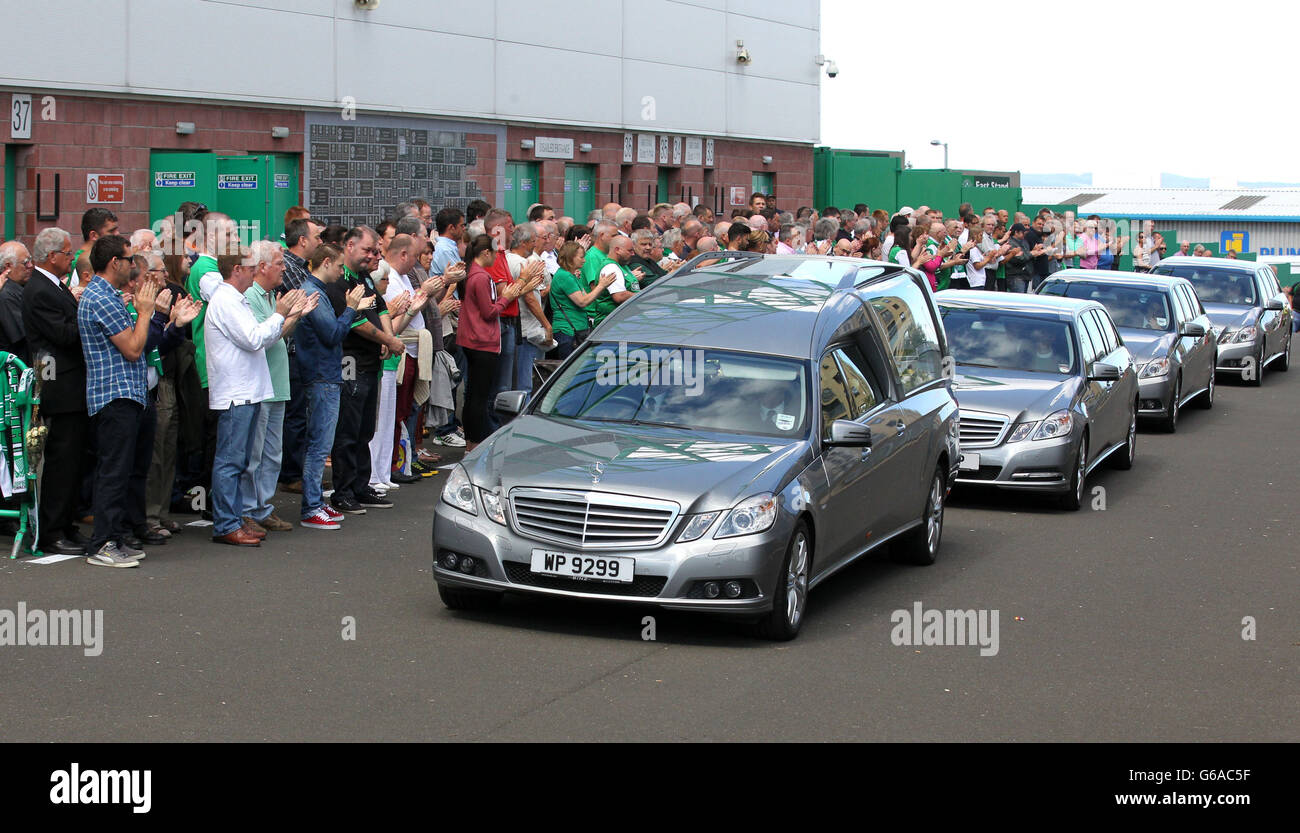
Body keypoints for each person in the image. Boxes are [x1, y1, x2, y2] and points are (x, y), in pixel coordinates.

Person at [205, 249, 307, 547]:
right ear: (236, 269)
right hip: (236, 393)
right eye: (251, 268)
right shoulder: (226, 301)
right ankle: (226, 523)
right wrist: (279, 314)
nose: (255, 273)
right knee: (230, 461)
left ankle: (234, 519)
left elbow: (260, 337)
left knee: (240, 460)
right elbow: (253, 338)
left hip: (247, 390)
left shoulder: (235, 300)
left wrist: (280, 317)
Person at [77, 235, 153, 566]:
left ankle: (115, 537)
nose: (133, 266)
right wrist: (145, 312)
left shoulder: (106, 295)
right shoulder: (102, 298)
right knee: (113, 471)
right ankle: (102, 544)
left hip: (121, 396)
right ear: (114, 263)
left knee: (120, 471)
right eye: (129, 260)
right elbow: (134, 348)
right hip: (114, 396)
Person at [295, 244, 372, 530]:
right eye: (339, 266)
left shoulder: (315, 291)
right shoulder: (312, 292)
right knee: (319, 444)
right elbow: (333, 334)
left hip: (324, 374)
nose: (342, 272)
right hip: (320, 375)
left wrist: (351, 310)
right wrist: (351, 308)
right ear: (325, 262)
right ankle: (311, 506)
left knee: (320, 442)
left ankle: (314, 502)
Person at [24, 227, 88, 555]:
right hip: (59, 386)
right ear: (52, 257)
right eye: (67, 253)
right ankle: (51, 531)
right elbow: (63, 335)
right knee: (62, 462)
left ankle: (66, 524)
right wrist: (88, 319)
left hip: (71, 384)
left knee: (73, 461)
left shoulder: (56, 286)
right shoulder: (39, 290)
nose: (72, 257)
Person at [240, 241, 306, 535]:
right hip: (261, 385)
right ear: (263, 266)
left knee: (272, 453)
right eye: (280, 263)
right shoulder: (251, 296)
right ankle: (247, 511)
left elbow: (278, 333)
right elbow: (262, 337)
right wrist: (287, 313)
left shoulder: (269, 295)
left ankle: (263, 507)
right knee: (254, 454)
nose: (284, 269)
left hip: (277, 383)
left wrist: (295, 315)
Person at [458, 235, 541, 451]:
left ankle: (472, 441)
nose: (496, 258)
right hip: (482, 341)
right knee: (479, 396)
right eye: (495, 253)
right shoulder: (481, 277)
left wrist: (517, 288)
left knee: (475, 395)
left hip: (473, 339)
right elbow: (489, 311)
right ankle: (475, 442)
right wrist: (507, 298)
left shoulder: (472, 273)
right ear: (486, 253)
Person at [549, 241, 615, 359]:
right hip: (567, 330)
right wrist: (601, 285)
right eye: (581, 257)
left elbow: (585, 297)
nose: (584, 260)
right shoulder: (564, 276)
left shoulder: (571, 275)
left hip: (577, 328)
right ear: (571, 258)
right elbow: (582, 301)